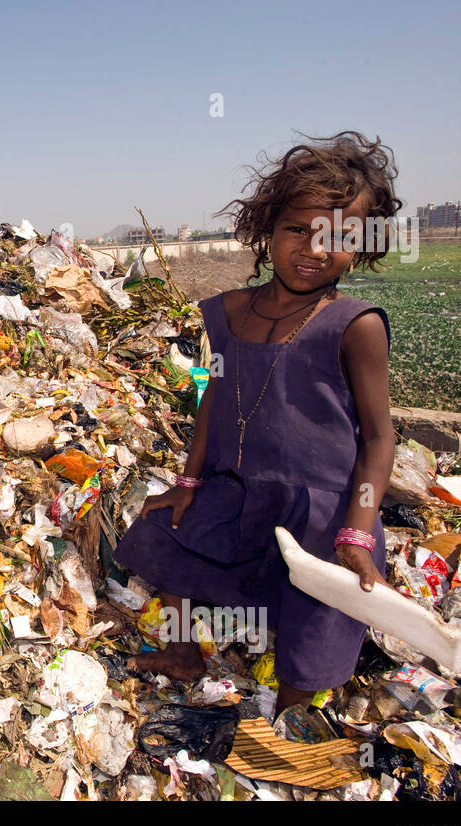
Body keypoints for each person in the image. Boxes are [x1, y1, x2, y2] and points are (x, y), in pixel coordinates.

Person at [115, 131, 402, 716]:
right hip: (236, 489)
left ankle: (294, 713)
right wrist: (187, 484)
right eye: (299, 230)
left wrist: (358, 530)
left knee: (316, 617)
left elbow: (379, 437)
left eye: (339, 238)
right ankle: (182, 652)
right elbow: (212, 402)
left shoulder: (355, 325)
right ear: (268, 229)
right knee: (165, 539)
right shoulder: (225, 314)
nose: (315, 250)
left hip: (319, 509)